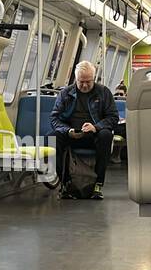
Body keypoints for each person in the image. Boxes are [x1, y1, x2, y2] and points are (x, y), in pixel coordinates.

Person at [50, 60, 120, 200]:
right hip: (72, 133)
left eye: (88, 81)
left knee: (106, 135)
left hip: (94, 135)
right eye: (81, 81)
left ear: (94, 79)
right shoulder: (65, 93)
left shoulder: (104, 93)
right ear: (75, 79)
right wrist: (67, 130)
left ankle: (98, 184)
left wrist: (96, 127)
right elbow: (55, 119)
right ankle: (65, 183)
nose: (84, 85)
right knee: (54, 136)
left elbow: (113, 117)